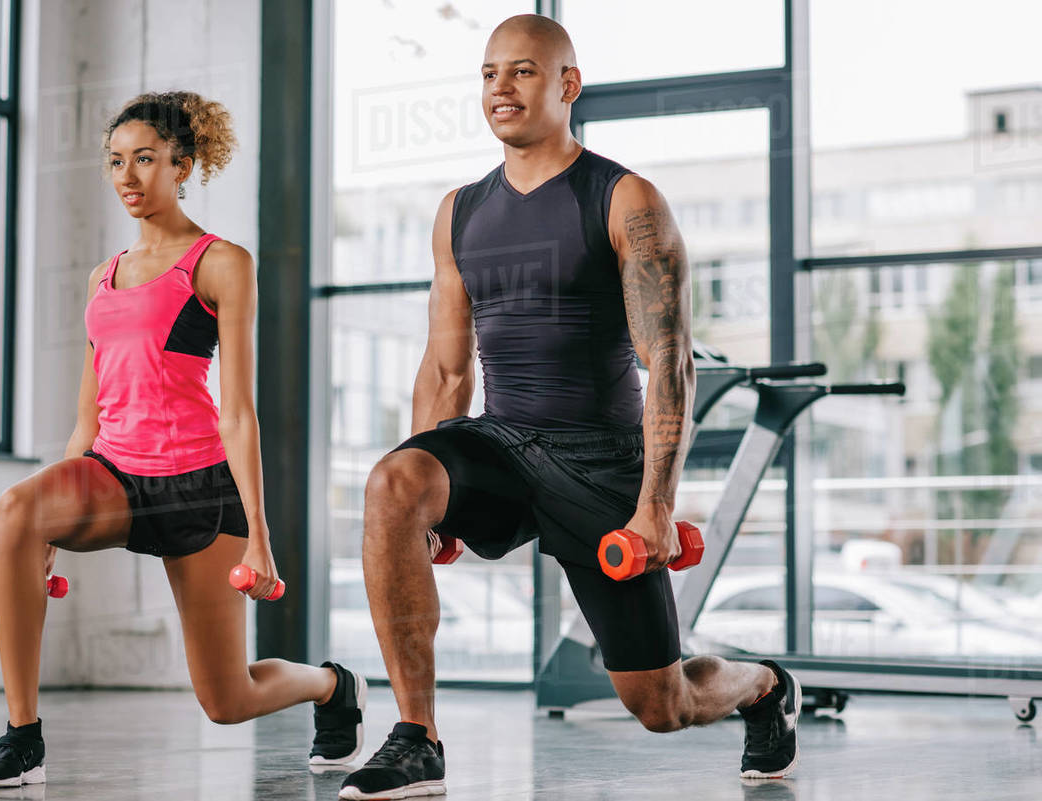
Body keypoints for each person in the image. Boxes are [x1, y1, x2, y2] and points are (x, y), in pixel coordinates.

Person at [340, 15, 800, 800]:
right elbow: (448, 366)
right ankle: (418, 737)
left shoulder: (625, 199)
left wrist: (656, 506)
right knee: (391, 483)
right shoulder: (459, 211)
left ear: (567, 85)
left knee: (661, 704)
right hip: (501, 442)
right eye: (489, 75)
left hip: (598, 461)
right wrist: (427, 501)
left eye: (521, 72)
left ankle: (762, 685)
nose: (500, 89)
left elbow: (671, 364)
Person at [0, 91, 365, 789]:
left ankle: (332, 685)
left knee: (227, 698)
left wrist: (261, 536)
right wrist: (48, 521)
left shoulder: (220, 262)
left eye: (145, 159)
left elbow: (238, 412)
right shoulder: (104, 276)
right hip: (113, 475)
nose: (128, 175)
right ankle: (22, 734)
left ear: (184, 164)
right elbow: (88, 416)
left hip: (197, 489)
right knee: (14, 511)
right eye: (116, 161)